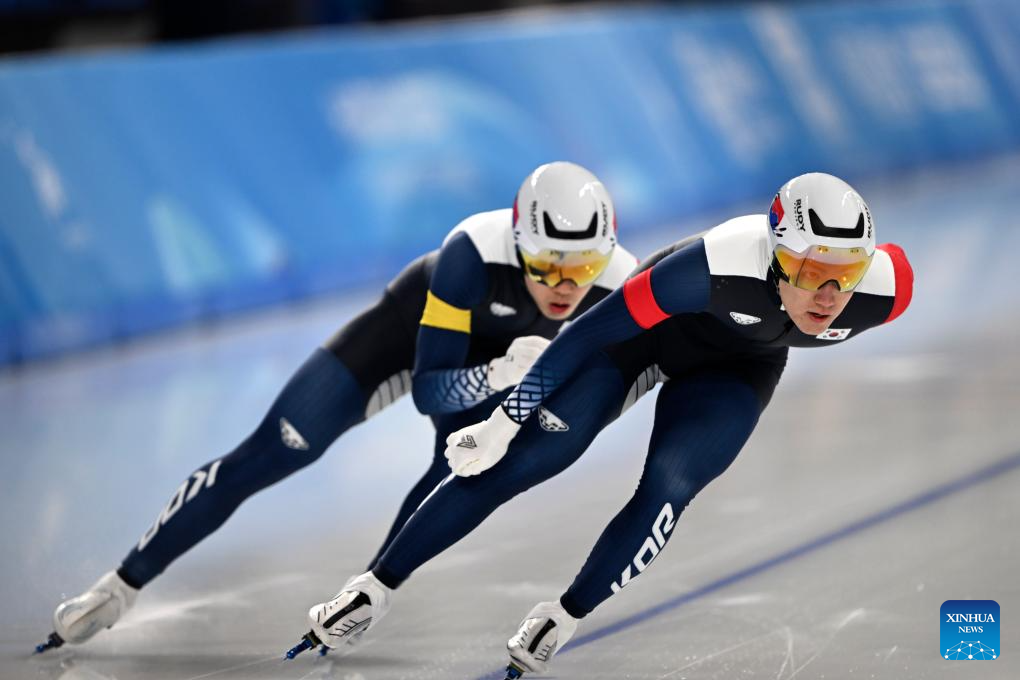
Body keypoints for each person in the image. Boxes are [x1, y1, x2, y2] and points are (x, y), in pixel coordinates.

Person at [291, 172, 914, 676]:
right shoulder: (711, 266)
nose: (830, 297)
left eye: (846, 275)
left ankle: (560, 618)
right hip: (643, 341)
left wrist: (573, 613)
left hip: (739, 368)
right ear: (777, 255)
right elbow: (592, 330)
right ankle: (373, 588)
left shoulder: (887, 289)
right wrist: (507, 419)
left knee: (670, 485)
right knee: (526, 459)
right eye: (811, 272)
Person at [36, 161, 641, 653]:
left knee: (460, 467)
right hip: (407, 337)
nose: (565, 287)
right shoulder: (472, 254)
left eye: (582, 268)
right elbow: (432, 389)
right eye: (546, 268)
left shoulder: (622, 282)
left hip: (502, 368)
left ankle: (365, 593)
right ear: (518, 245)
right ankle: (119, 584)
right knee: (270, 453)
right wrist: (505, 371)